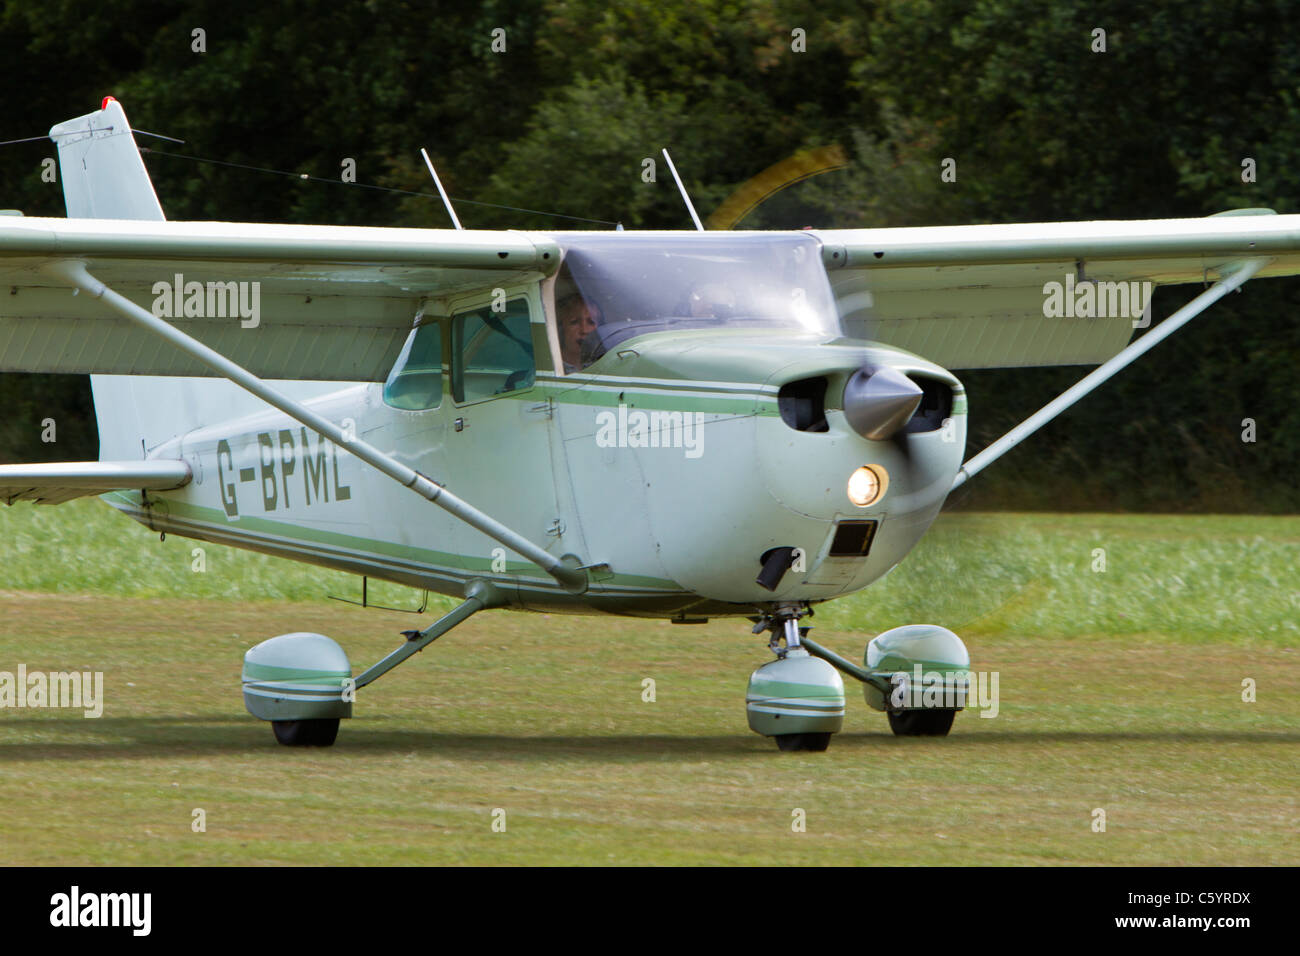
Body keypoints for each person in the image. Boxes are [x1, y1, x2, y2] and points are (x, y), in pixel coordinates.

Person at [557, 293, 602, 372]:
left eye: (591, 322)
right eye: (574, 322)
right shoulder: (547, 368)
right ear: (561, 327)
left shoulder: (606, 367)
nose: (584, 330)